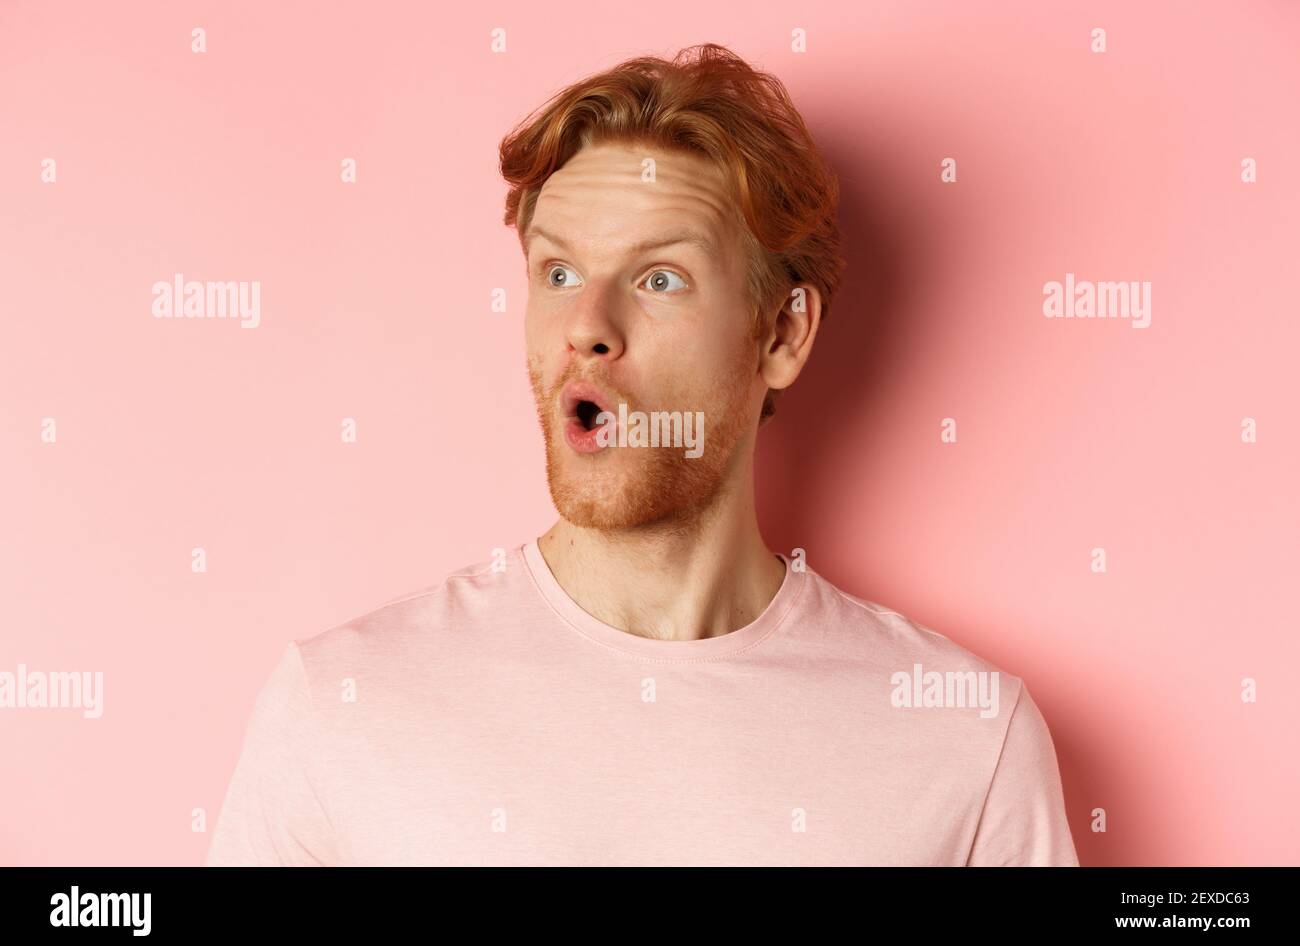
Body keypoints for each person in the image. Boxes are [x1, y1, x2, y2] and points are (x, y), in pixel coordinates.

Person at [206, 43, 1078, 866]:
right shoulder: (340, 705)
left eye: (659, 278)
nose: (587, 328)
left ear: (781, 332)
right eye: (557, 274)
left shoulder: (963, 736)